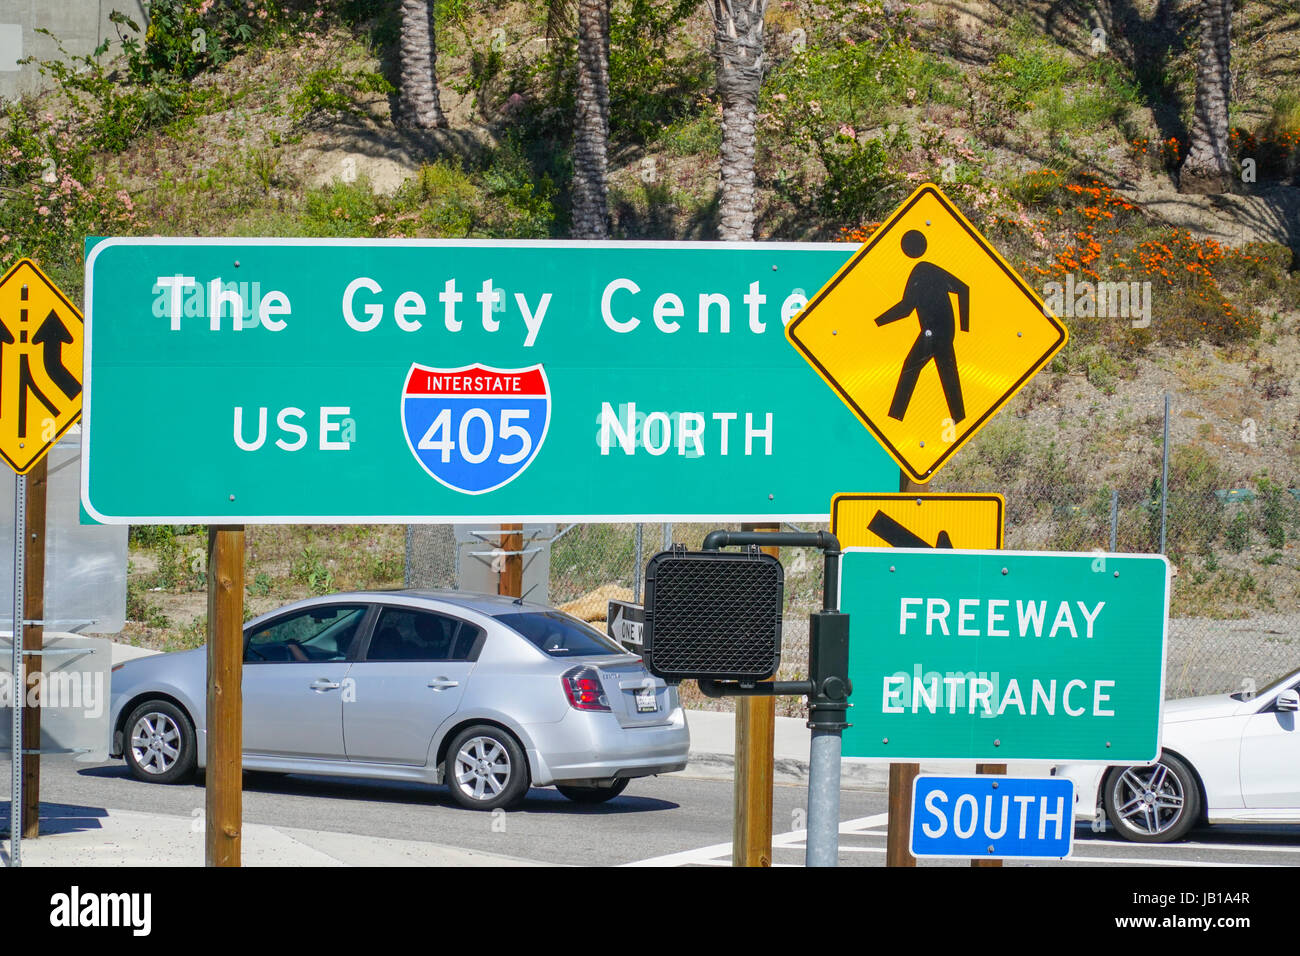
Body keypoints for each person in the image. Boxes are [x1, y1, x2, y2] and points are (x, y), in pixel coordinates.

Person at [872, 229, 970, 423]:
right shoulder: (924, 269)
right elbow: (907, 308)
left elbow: (905, 307)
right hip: (942, 331)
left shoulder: (922, 270)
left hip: (933, 333)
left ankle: (894, 417)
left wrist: (965, 327)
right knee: (947, 372)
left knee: (911, 367)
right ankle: (960, 418)